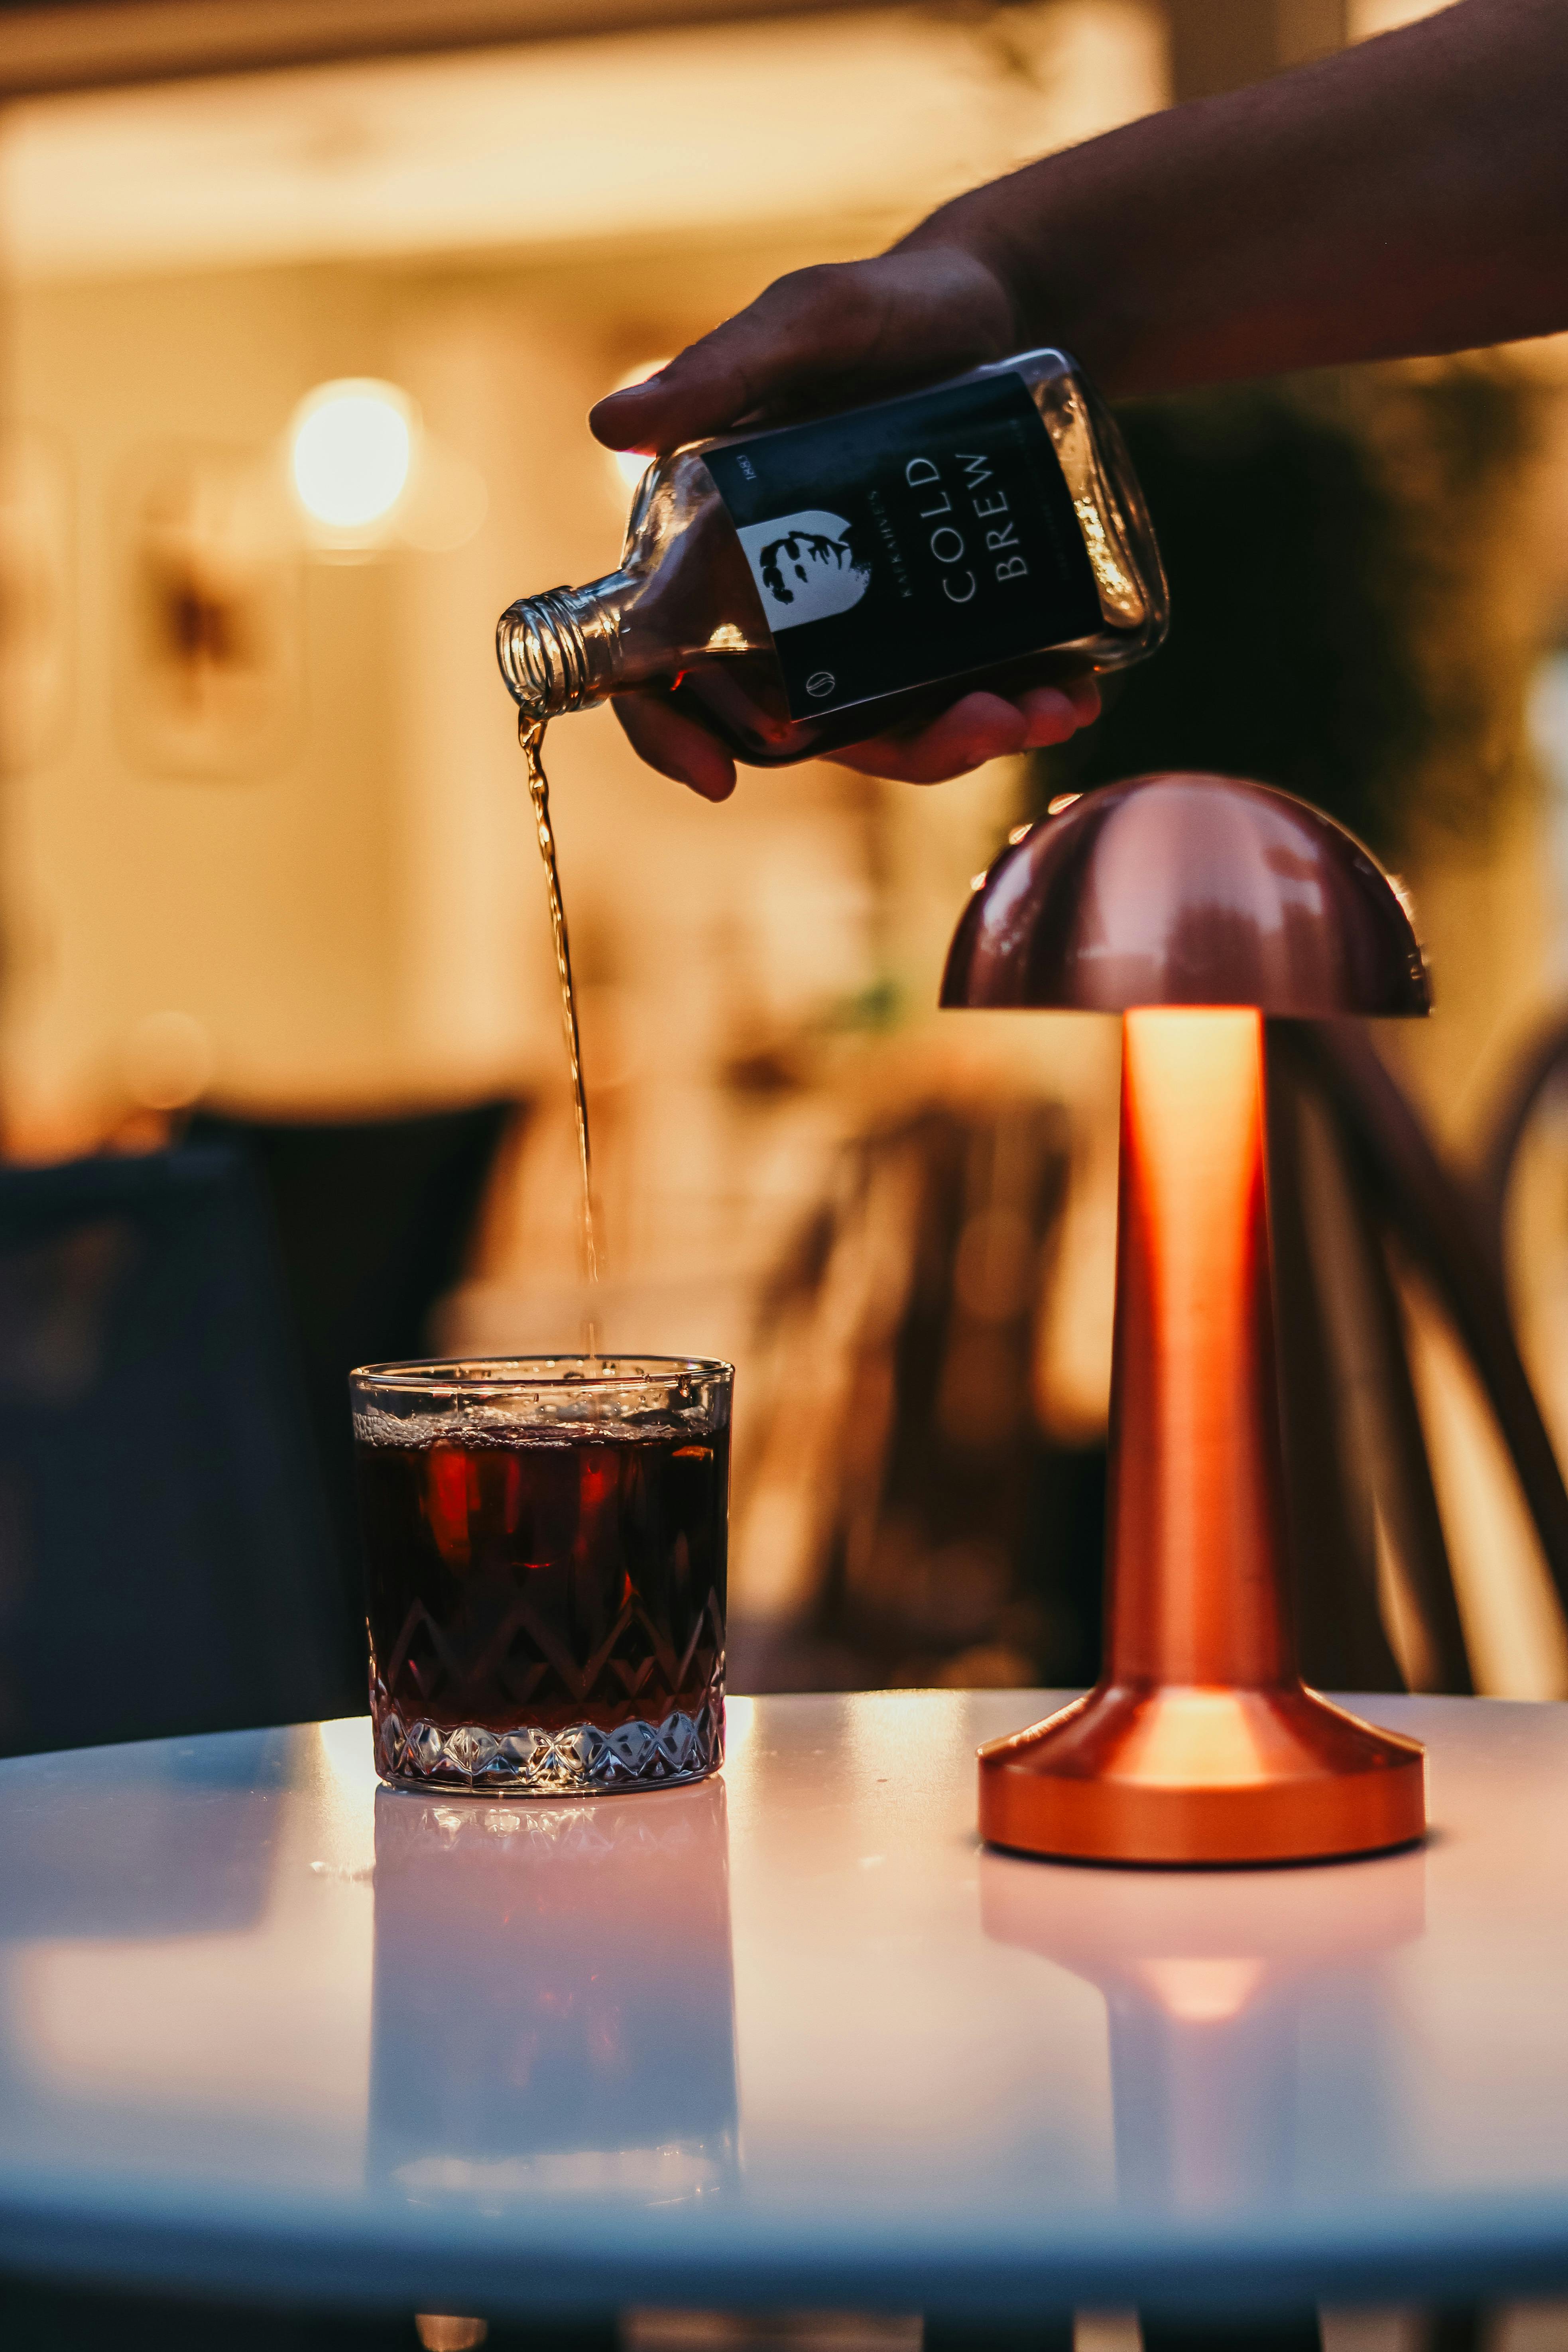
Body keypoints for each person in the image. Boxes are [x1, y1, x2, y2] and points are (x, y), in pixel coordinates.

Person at [588, 0, 1567, 800]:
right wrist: (1011, 279)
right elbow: (1524, 131)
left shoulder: (688, 496)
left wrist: (1020, 277)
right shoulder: (693, 518)